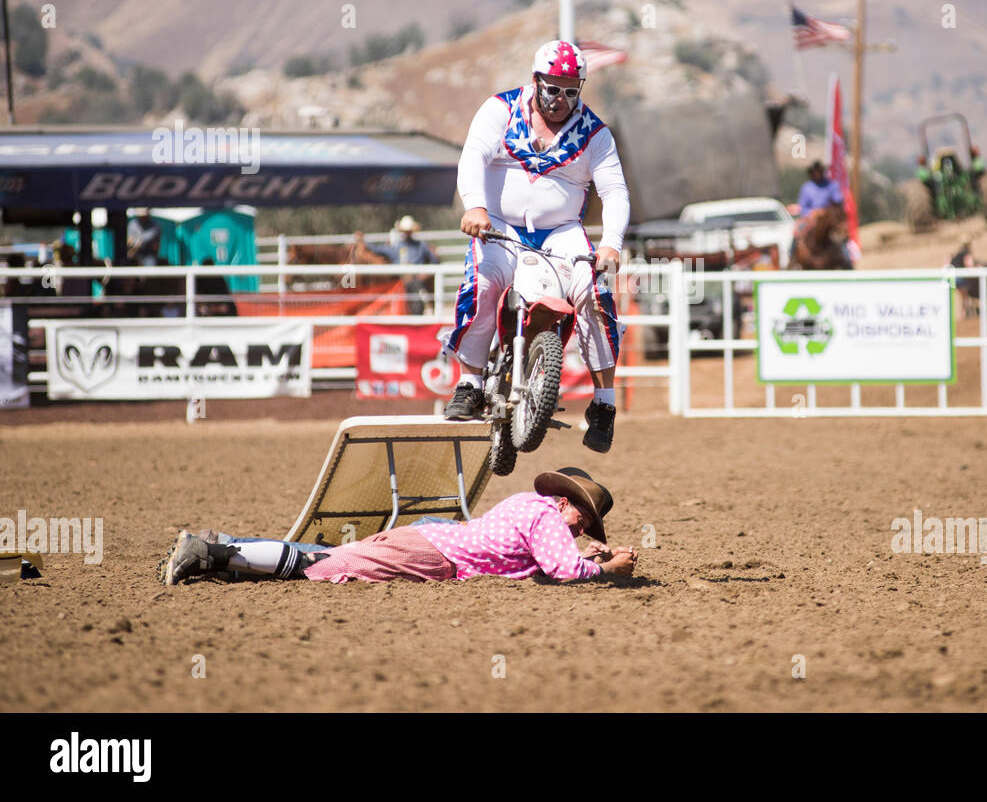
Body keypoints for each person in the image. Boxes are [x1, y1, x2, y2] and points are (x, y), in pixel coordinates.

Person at [445, 40, 629, 453]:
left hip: (561, 231)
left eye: (570, 90)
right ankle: (470, 383)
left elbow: (615, 191)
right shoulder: (500, 109)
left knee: (596, 290)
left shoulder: (595, 133)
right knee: (485, 282)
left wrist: (611, 245)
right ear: (535, 81)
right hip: (500, 227)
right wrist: (475, 207)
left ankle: (604, 405)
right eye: (552, 89)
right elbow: (473, 155)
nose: (561, 99)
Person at [159, 467, 639, 585]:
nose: (581, 528)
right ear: (565, 502)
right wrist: (611, 568)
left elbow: (546, 559)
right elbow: (560, 569)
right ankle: (213, 553)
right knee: (320, 564)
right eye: (584, 518)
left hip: (432, 539)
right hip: (433, 553)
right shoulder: (549, 516)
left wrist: (586, 557)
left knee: (323, 558)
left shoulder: (528, 505)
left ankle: (219, 553)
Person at [354, 215, 438, 314]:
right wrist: (363, 242)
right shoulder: (397, 246)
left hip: (415, 278)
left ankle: (415, 313)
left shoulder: (420, 245)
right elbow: (378, 249)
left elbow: (434, 260)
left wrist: (425, 274)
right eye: (405, 231)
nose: (407, 233)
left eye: (408, 231)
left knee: (413, 290)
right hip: (400, 278)